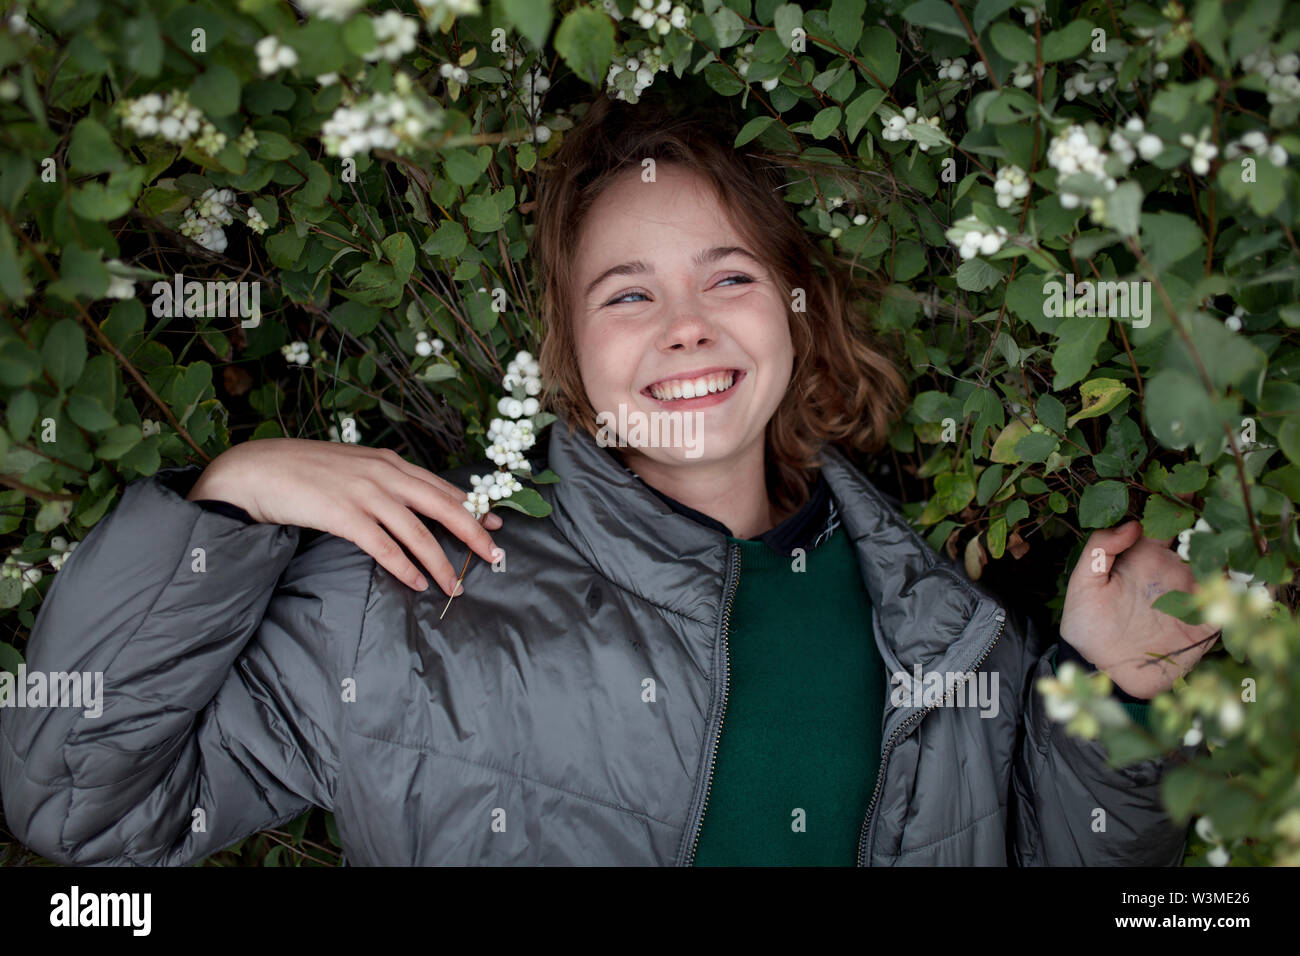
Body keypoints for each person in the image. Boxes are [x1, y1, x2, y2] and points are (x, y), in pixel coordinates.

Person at [0, 95, 1212, 866]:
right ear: (569, 355)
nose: (684, 327)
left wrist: (1117, 697)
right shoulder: (405, 600)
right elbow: (79, 809)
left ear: (794, 311)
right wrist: (234, 499)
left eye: (726, 277)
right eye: (627, 293)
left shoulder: (947, 635)